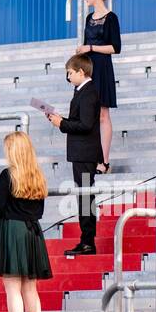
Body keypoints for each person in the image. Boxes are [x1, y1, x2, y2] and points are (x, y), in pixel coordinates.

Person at [0, 131, 53, 312]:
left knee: (12, 288)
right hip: (32, 231)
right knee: (30, 289)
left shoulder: (8, 175)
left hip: (12, 230)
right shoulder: (37, 175)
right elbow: (40, 210)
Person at [45, 53, 101, 256]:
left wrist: (62, 123)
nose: (68, 77)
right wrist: (61, 121)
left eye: (70, 73)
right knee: (84, 195)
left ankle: (88, 241)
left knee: (86, 196)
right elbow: (80, 121)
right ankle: (85, 240)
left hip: (85, 153)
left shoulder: (88, 92)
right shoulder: (82, 91)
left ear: (81, 72)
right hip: (81, 152)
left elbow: (85, 125)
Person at [77, 0, 120, 173]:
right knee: (90, 114)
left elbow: (115, 47)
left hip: (102, 66)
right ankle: (93, 158)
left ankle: (104, 161)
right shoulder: (89, 18)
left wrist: (91, 47)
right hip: (89, 67)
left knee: (103, 114)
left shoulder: (111, 18)